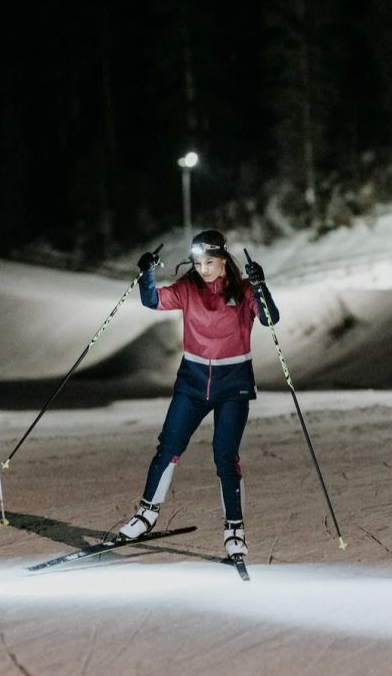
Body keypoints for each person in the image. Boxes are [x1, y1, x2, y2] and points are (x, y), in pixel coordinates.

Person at [116, 229, 278, 559]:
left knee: (225, 455)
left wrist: (260, 286)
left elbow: (270, 318)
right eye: (197, 263)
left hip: (233, 385)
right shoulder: (188, 289)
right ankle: (146, 514)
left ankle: (235, 529)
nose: (203, 269)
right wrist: (146, 272)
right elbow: (152, 300)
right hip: (192, 383)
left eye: (209, 262)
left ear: (222, 260)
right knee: (169, 446)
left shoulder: (242, 290)